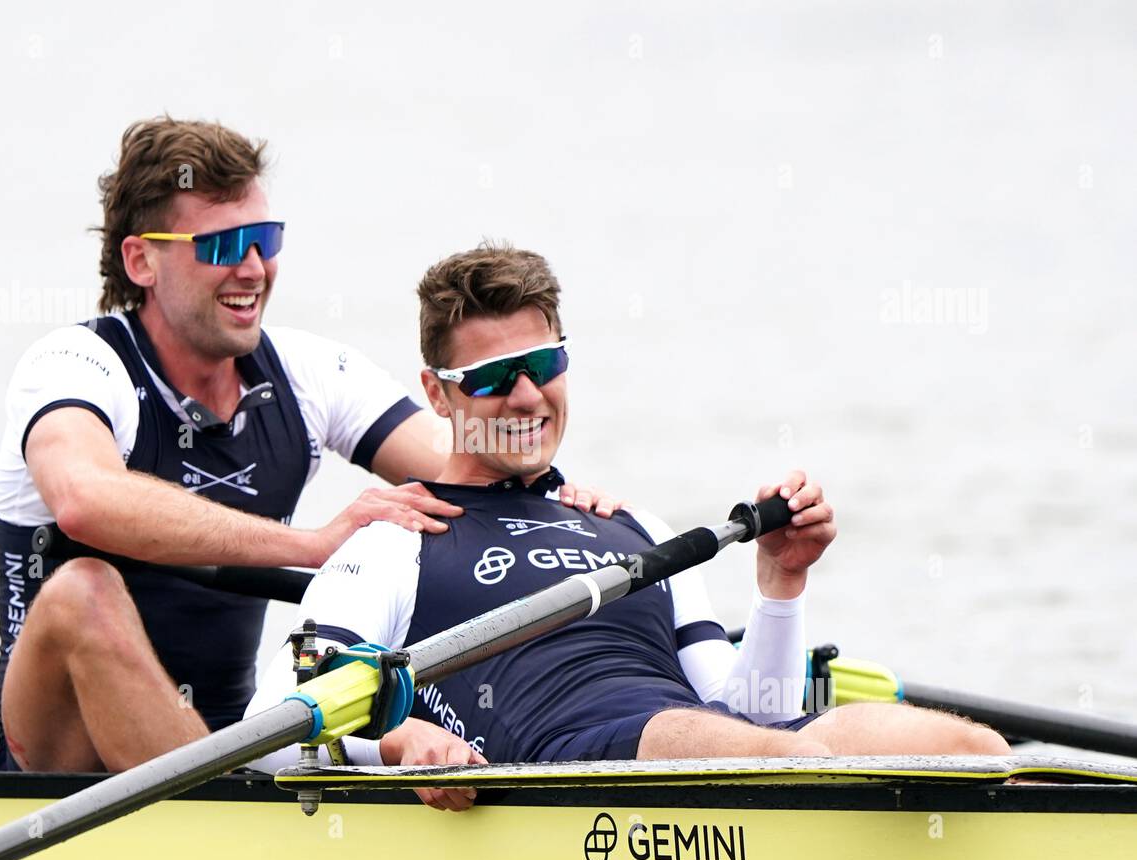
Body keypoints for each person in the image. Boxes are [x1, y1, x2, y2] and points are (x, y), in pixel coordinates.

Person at [244, 243, 1009, 810]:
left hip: (721, 745)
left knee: (980, 753)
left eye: (542, 366)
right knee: (788, 758)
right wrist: (400, 741)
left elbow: (757, 705)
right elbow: (277, 710)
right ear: (437, 396)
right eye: (487, 378)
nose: (523, 397)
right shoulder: (397, 538)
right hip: (582, 765)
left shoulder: (633, 525)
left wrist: (781, 582)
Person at [0, 119, 617, 773]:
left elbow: (468, 464)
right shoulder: (74, 365)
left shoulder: (306, 372)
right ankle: (219, 826)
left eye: (265, 239)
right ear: (140, 259)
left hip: (227, 749)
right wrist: (312, 545)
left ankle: (239, 790)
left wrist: (555, 489)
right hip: (57, 766)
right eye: (223, 244)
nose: (254, 267)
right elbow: (85, 502)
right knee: (82, 589)